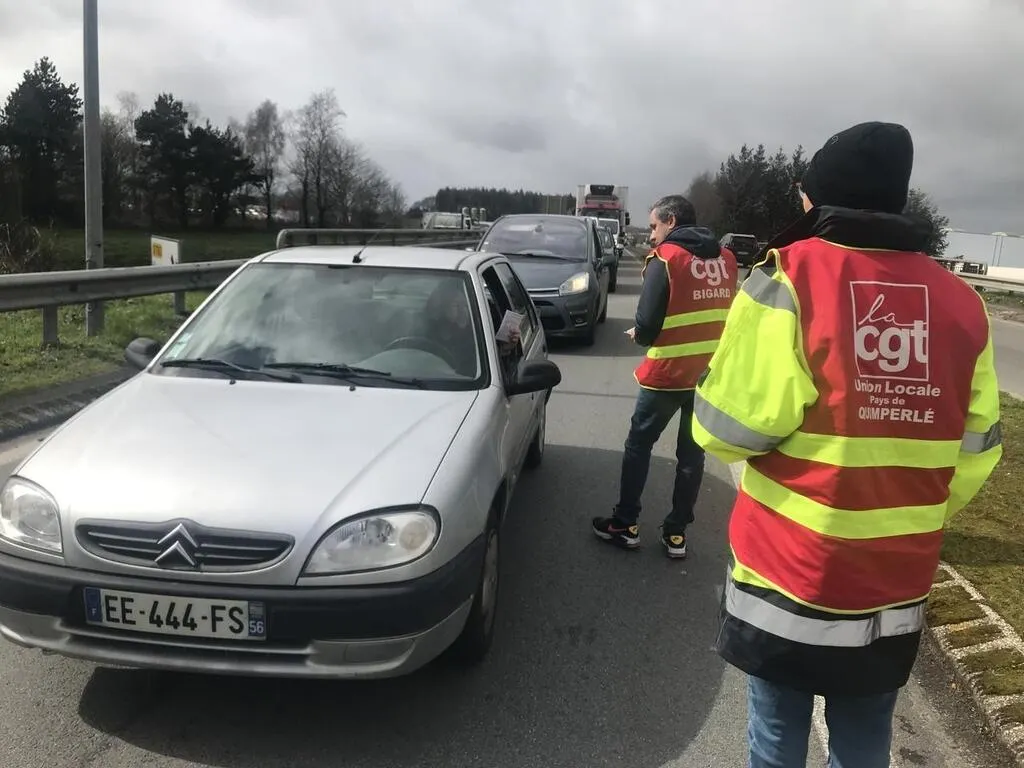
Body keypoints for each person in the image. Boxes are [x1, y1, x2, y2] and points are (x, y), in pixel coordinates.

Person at [691, 121, 1003, 767]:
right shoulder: (962, 301)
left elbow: (726, 431)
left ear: (812, 199)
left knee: (777, 736)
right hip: (895, 570)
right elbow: (977, 450)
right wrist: (908, 513)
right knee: (866, 736)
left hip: (789, 565)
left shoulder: (788, 278)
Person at [592, 195, 737, 558]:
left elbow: (647, 324)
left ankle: (626, 524)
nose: (652, 235)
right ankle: (676, 534)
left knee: (639, 445)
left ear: (670, 221)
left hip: (668, 374)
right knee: (692, 455)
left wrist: (638, 335)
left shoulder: (667, 259)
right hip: (708, 374)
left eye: (655, 226)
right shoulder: (728, 258)